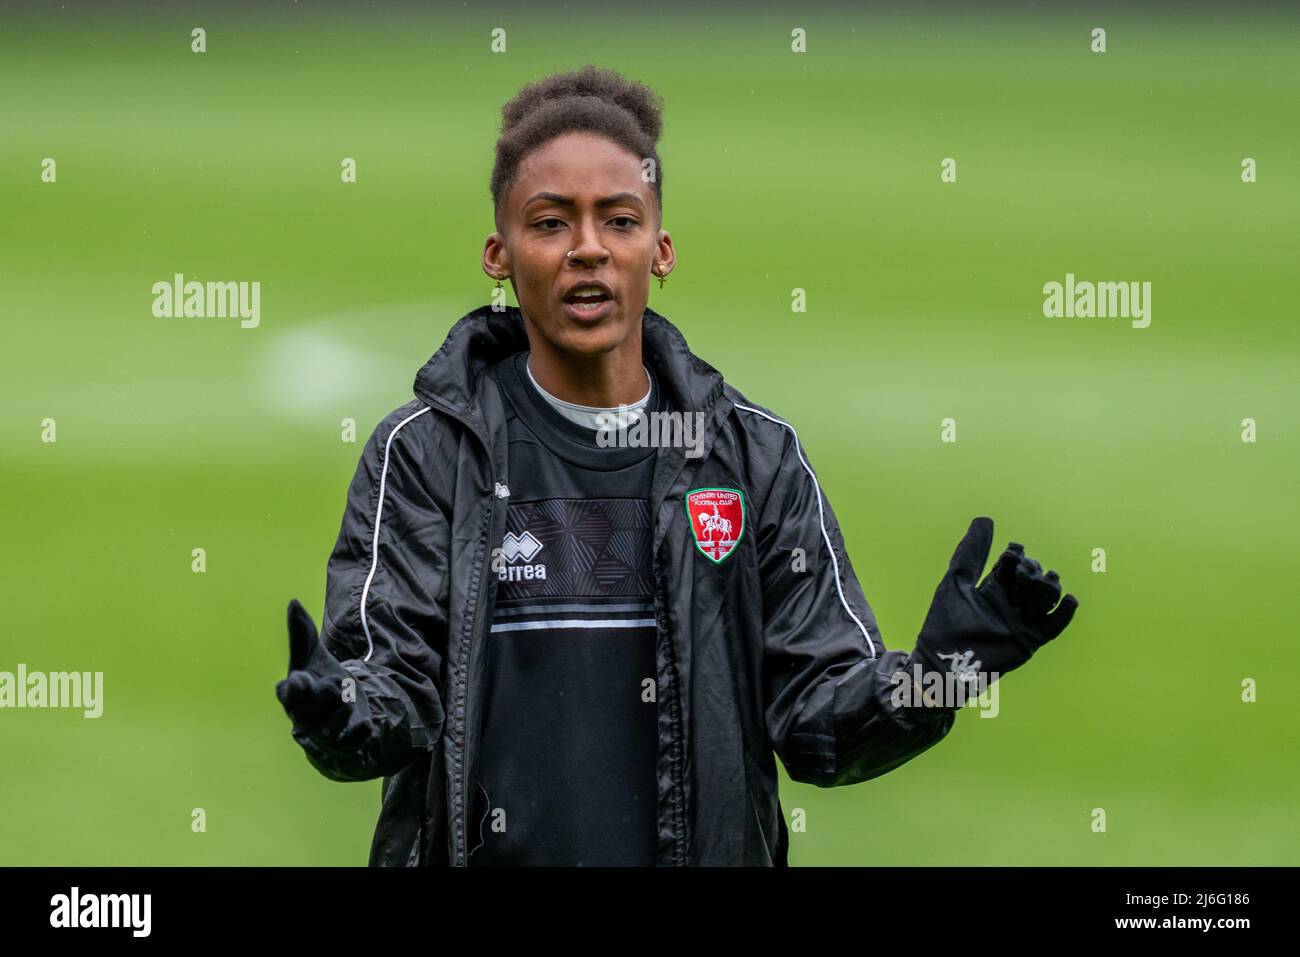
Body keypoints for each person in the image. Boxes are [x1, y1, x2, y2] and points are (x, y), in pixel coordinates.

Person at [274, 64, 1079, 867]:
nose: (588, 248)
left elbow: (817, 724)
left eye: (619, 220)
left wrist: (940, 675)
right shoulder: (426, 453)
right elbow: (396, 688)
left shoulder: (752, 457)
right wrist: (342, 711)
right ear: (499, 254)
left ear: (660, 250)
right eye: (550, 222)